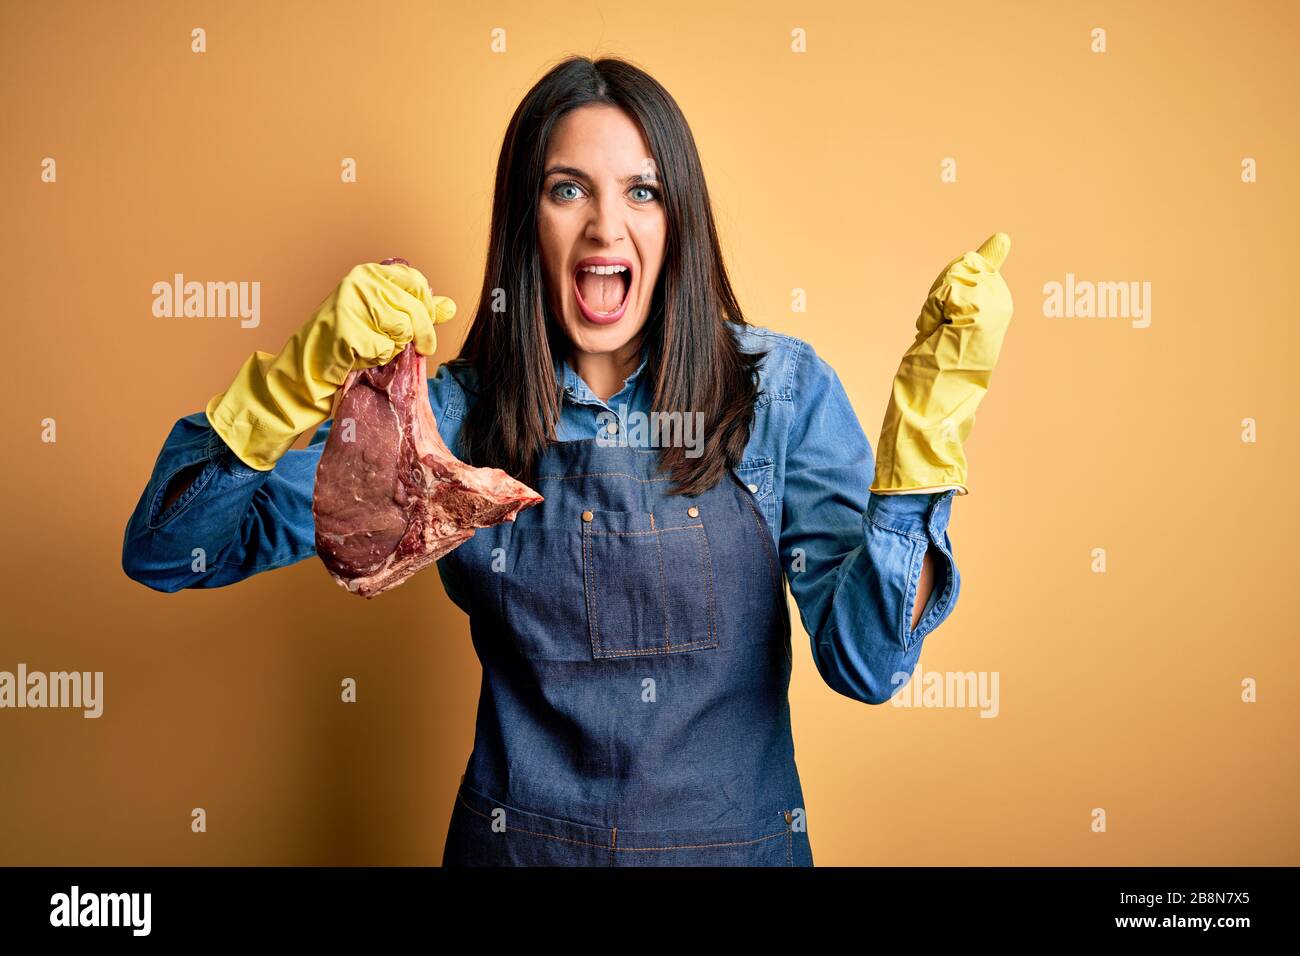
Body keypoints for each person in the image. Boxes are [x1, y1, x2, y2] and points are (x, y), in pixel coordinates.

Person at [122, 56, 1013, 866]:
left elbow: (867, 667)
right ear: (528, 219)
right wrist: (286, 386)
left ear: (680, 220)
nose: (605, 226)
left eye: (642, 192)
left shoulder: (777, 394)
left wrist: (920, 465)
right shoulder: (447, 418)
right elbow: (167, 550)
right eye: (567, 190)